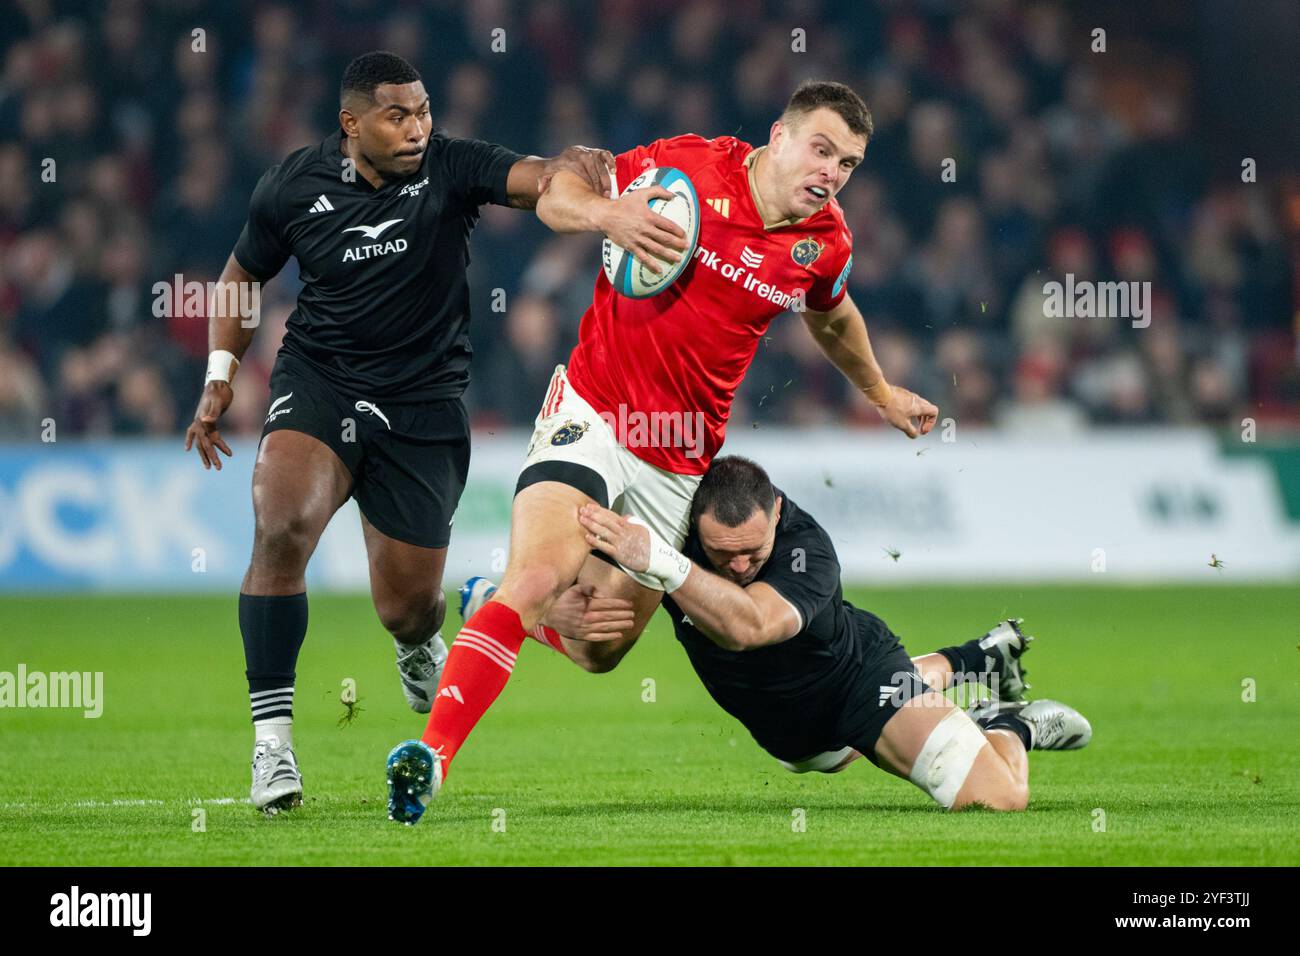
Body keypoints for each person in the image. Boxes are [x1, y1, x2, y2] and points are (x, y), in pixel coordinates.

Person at [386, 80, 941, 823]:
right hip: (593, 411)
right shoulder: (688, 169)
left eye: (848, 162)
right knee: (541, 572)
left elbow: (832, 314)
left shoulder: (826, 240)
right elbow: (560, 186)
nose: (832, 172)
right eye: (821, 149)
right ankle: (432, 756)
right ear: (778, 136)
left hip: (677, 457)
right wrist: (607, 213)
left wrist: (879, 391)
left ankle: (491, 603)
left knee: (601, 648)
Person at [183, 51, 614, 814]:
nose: (417, 127)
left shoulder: (452, 165)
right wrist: (221, 375)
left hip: (425, 405)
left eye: (422, 111)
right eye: (397, 115)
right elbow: (242, 276)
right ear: (351, 124)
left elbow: (536, 178)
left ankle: (418, 644)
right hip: (321, 382)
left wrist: (571, 170)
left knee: (406, 606)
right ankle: (273, 747)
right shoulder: (291, 185)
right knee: (280, 525)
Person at [573, 455, 1092, 810]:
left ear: (776, 510)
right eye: (721, 553)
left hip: (860, 684)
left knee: (996, 799)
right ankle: (976, 659)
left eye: (752, 553)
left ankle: (1006, 722)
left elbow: (747, 627)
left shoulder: (808, 550)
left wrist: (662, 562)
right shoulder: (669, 526)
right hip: (795, 736)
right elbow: (579, 612)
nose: (737, 566)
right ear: (693, 524)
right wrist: (502, 600)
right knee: (834, 756)